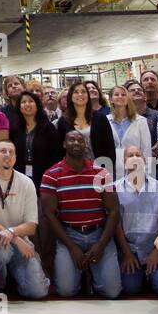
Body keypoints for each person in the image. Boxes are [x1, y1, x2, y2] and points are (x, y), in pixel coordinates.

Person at [40, 128, 121, 299]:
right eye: (71, 140)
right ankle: (82, 274)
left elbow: (113, 211)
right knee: (66, 291)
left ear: (85, 145)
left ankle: (91, 275)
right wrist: (71, 246)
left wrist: (100, 245)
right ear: (64, 144)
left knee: (112, 292)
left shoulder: (101, 173)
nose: (76, 143)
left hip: (99, 234)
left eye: (80, 140)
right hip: (69, 235)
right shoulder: (51, 174)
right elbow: (49, 214)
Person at [0, 139, 49, 299]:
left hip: (21, 242)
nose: (7, 155)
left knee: (38, 293)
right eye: (3, 151)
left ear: (15, 158)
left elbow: (31, 226)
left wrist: (11, 233)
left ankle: (20, 277)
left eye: (11, 152)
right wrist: (13, 237)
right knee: (1, 251)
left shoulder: (27, 183)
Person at [113, 144, 158, 296]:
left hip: (154, 249)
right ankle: (142, 275)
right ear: (124, 163)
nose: (135, 158)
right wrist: (127, 254)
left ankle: (153, 275)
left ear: (145, 160)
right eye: (130, 156)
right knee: (130, 288)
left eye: (138, 155)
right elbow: (116, 226)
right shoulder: (115, 189)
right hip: (130, 250)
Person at [8, 90, 67, 189]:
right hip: (20, 178)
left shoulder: (48, 128)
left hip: (45, 177)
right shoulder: (15, 128)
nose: (27, 104)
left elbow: (56, 154)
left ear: (37, 105)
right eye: (23, 102)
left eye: (31, 101)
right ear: (19, 107)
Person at [60, 82, 116, 171]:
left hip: (99, 169)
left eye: (83, 91)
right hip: (73, 170)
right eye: (76, 92)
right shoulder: (63, 121)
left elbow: (109, 148)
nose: (80, 94)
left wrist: (108, 172)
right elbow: (60, 150)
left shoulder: (100, 118)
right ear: (70, 96)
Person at [106, 84, 152, 180]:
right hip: (112, 171)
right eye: (116, 94)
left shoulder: (140, 121)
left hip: (136, 171)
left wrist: (147, 174)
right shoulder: (105, 121)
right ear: (110, 100)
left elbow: (146, 150)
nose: (120, 97)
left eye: (123, 94)